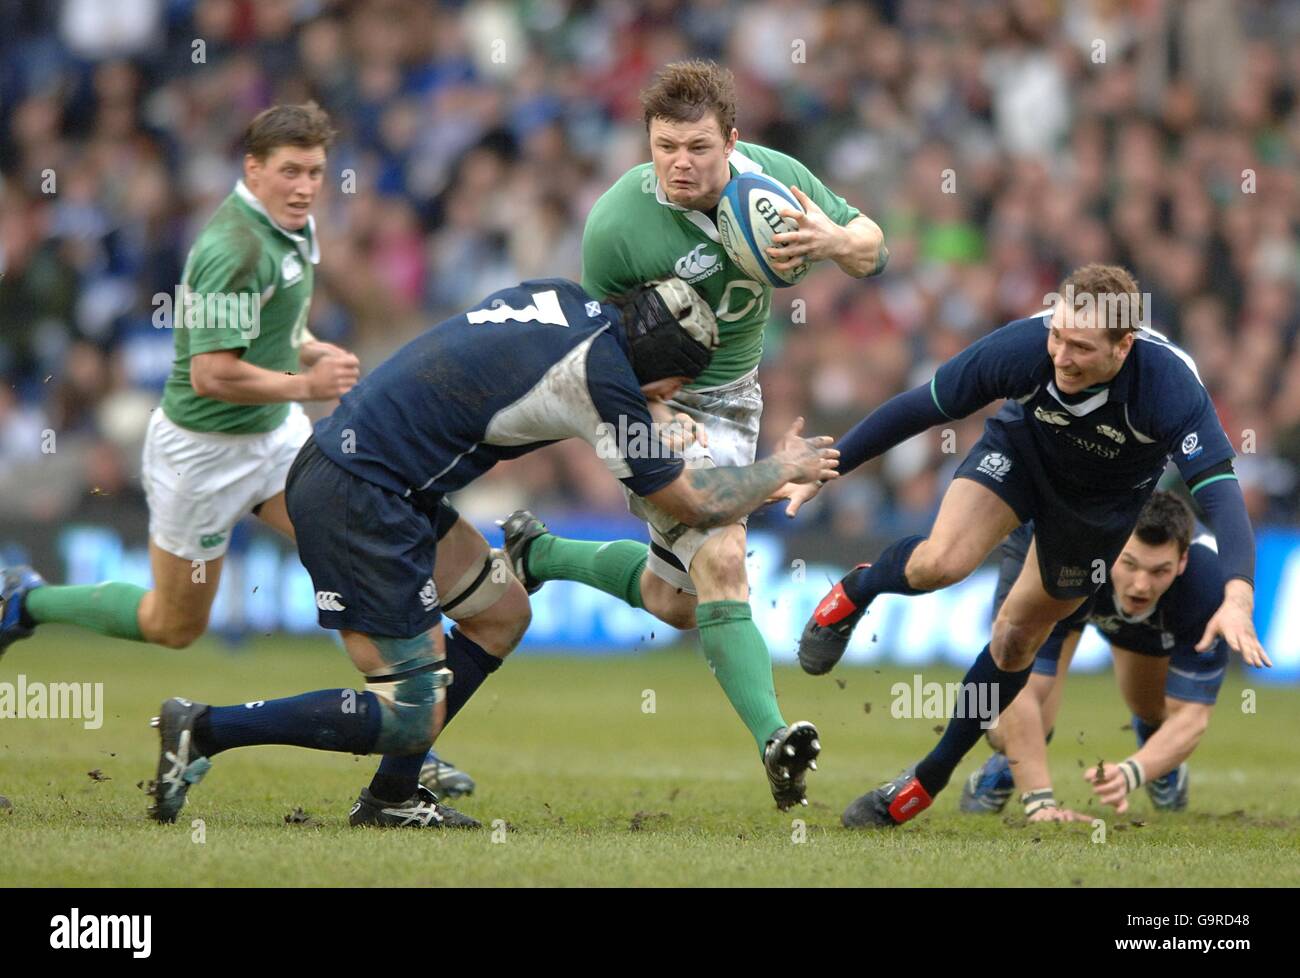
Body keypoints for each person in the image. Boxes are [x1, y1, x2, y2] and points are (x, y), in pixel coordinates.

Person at [147, 275, 840, 827]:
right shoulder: (599, 381)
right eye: (676, 382)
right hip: (360, 495)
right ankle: (204, 729)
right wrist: (781, 468)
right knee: (407, 708)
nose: (674, 395)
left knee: (502, 612)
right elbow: (692, 499)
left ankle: (391, 799)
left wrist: (649, 416)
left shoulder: (563, 298)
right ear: (660, 368)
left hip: (385, 478)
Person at [0, 102, 474, 798]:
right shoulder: (232, 247)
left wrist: (308, 349)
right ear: (252, 169)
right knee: (173, 623)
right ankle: (26, 601)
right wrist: (306, 380)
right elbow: (211, 372)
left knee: (353, 556)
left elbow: (277, 322)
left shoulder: (297, 224)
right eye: (290, 170)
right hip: (202, 452)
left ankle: (403, 728)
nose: (306, 184)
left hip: (276, 438)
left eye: (315, 170)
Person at [501, 60, 887, 810]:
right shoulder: (616, 223)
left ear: (732, 143)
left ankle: (537, 553)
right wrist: (647, 411)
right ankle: (777, 741)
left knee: (678, 601)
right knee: (725, 553)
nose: (679, 163)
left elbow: (875, 249)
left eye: (698, 147)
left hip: (738, 400)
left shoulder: (774, 178)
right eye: (664, 146)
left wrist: (835, 238)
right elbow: (596, 349)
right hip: (651, 406)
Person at [787, 263, 1269, 828]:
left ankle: (926, 779)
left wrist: (1238, 593)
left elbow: (1221, 495)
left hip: (1098, 513)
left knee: (1016, 642)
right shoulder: (1023, 347)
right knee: (942, 563)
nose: (1061, 356)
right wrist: (828, 466)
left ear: (1124, 346)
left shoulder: (1169, 387)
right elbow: (922, 407)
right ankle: (858, 588)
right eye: (1057, 336)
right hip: (1019, 458)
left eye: (1081, 347)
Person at [962, 492, 1229, 819]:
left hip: (1142, 622)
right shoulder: (1067, 547)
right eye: (1130, 564)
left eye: (1159, 570)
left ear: (1183, 561)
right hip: (1068, 590)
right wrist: (1040, 802)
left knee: (1154, 710)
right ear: (1115, 544)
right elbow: (1020, 694)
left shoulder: (1209, 582)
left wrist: (1133, 771)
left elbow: (1192, 716)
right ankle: (1005, 767)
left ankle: (1162, 766)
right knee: (1013, 714)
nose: (1141, 586)